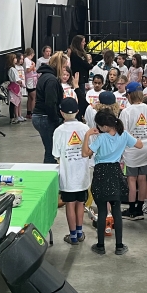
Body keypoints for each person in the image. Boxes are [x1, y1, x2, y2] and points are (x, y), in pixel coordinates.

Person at [82, 109, 142, 256]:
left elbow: (85, 153)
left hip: (101, 173)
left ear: (105, 126)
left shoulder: (101, 138)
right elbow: (140, 145)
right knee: (116, 210)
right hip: (116, 172)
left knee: (102, 210)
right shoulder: (124, 135)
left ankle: (100, 245)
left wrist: (87, 135)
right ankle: (119, 245)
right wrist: (127, 137)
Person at [120, 82, 147, 221]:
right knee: (143, 179)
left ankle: (131, 210)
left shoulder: (126, 112)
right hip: (146, 148)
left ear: (129, 95)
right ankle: (140, 209)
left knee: (132, 180)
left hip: (131, 149)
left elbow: (123, 134)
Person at [52, 97, 92, 244]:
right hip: (82, 174)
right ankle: (80, 232)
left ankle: (73, 235)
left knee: (69, 204)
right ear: (77, 111)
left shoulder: (59, 131)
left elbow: (56, 154)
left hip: (67, 175)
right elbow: (90, 150)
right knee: (80, 203)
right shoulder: (85, 128)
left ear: (61, 113)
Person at [34, 52, 66, 163]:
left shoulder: (46, 77)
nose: (65, 70)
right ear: (59, 66)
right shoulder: (51, 80)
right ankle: (48, 175)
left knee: (50, 150)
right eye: (64, 67)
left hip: (41, 116)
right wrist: (56, 120)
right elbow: (50, 102)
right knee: (51, 151)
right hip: (44, 117)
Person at [6, 53, 26, 123]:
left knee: (18, 101)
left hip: (17, 86)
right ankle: (15, 116)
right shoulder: (12, 69)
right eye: (14, 58)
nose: (16, 59)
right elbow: (16, 79)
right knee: (15, 102)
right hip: (14, 86)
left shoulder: (13, 68)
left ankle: (18, 115)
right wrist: (22, 83)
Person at [24, 47, 38, 118]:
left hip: (32, 80)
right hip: (30, 81)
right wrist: (33, 66)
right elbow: (28, 70)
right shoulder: (27, 60)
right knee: (33, 97)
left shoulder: (28, 60)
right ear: (32, 54)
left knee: (30, 97)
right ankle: (33, 112)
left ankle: (29, 112)